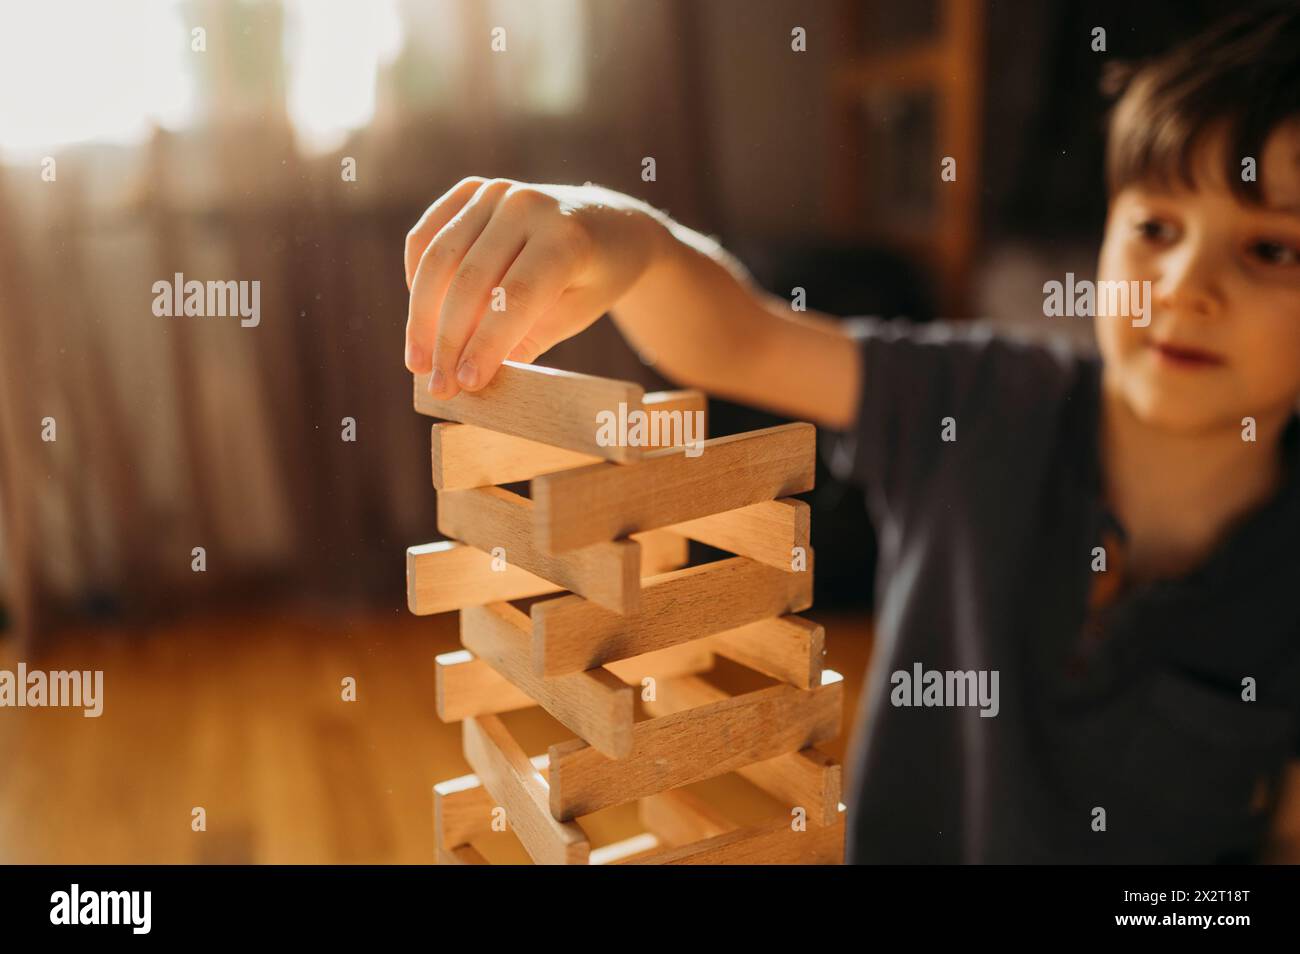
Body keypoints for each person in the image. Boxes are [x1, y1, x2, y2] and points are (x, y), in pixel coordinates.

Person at [402, 7, 1300, 863]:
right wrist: (619, 236)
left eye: (1271, 249)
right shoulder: (985, 400)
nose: (1182, 286)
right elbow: (739, 338)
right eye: (1155, 228)